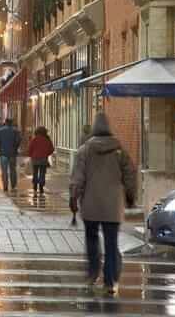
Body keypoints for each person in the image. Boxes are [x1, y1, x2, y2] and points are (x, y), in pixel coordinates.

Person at [70, 111, 136, 296]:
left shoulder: (85, 150)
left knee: (91, 240)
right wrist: (130, 195)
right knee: (111, 243)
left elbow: (78, 177)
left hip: (91, 204)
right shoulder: (119, 150)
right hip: (113, 205)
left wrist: (73, 197)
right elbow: (130, 174)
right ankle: (110, 280)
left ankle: (92, 273)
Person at [0, 118, 21, 192]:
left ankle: (5, 186)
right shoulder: (16, 131)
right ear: (11, 123)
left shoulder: (0, 131)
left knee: (4, 171)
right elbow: (18, 141)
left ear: (5, 122)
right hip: (12, 153)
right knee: (13, 170)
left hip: (3, 153)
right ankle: (13, 186)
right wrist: (15, 148)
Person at [28, 126, 54, 195]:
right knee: (42, 173)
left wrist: (31, 155)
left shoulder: (34, 139)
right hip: (43, 159)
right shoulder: (47, 139)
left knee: (35, 172)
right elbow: (51, 149)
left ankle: (35, 185)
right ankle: (41, 186)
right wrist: (46, 154)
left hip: (35, 159)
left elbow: (30, 148)